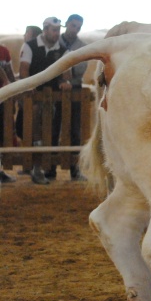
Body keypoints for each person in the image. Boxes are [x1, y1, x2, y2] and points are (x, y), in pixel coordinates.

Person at [19, 17, 73, 185]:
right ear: (45, 29)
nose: (57, 34)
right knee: (27, 130)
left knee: (47, 132)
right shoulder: (30, 46)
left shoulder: (63, 50)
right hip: (32, 99)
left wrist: (66, 82)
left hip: (51, 100)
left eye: (58, 30)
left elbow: (66, 72)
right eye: (54, 30)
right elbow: (23, 70)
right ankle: (34, 166)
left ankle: (39, 168)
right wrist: (28, 85)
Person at [55, 14, 88, 181]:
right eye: (73, 25)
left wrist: (64, 72)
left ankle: (75, 169)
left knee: (75, 129)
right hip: (55, 89)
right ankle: (50, 169)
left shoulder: (82, 46)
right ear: (67, 24)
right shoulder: (56, 43)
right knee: (53, 126)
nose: (75, 29)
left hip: (74, 88)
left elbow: (81, 69)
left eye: (78, 27)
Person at [0, 41, 16, 183]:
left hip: (2, 99)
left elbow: (9, 71)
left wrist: (14, 87)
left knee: (1, 134)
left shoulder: (3, 50)